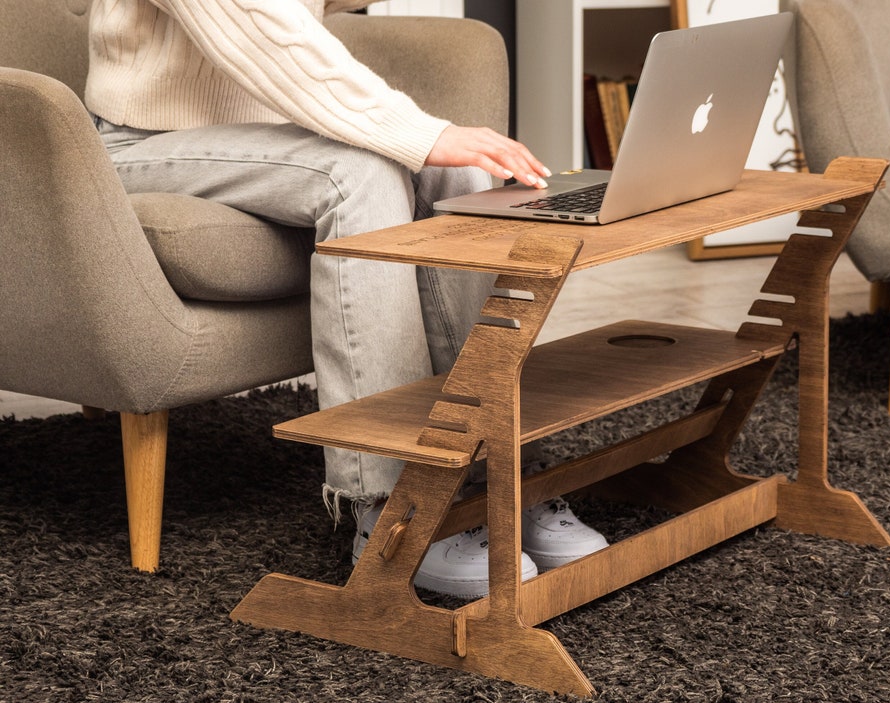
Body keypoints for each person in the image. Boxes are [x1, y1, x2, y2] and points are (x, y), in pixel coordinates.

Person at [86, 0, 607, 596]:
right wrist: (424, 132)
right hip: (141, 143)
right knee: (359, 175)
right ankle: (389, 505)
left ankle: (500, 471)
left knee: (458, 173)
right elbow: (264, 27)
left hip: (266, 128)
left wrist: (434, 142)